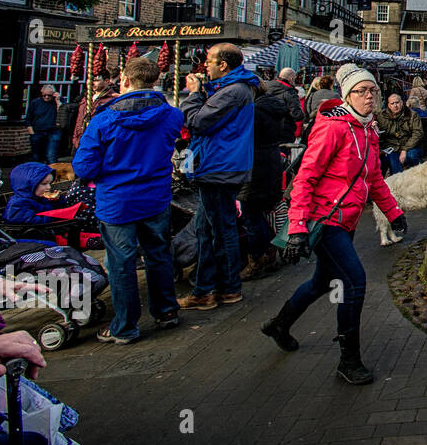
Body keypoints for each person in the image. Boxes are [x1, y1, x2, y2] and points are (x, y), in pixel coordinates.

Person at [263, 68, 405, 385]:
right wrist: (297, 226)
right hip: (326, 220)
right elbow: (305, 179)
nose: (370, 96)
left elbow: (374, 179)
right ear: (347, 95)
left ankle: (279, 324)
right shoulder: (333, 128)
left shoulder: (369, 131)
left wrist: (393, 212)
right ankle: (348, 360)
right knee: (354, 282)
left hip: (349, 220)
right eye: (362, 91)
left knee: (321, 282)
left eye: (373, 91)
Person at [72, 55, 184, 344]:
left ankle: (125, 325)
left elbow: (83, 167)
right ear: (156, 79)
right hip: (155, 196)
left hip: (117, 200)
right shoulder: (172, 115)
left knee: (121, 263)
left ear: (124, 79)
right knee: (158, 254)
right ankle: (167, 311)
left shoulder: (104, 120)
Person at [176, 44, 262, 311]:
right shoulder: (236, 89)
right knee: (206, 229)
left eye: (210, 61)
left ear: (223, 65)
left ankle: (225, 288)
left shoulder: (233, 91)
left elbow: (198, 121)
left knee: (221, 229)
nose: (206, 66)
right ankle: (209, 288)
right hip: (221, 165)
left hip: (219, 167)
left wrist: (192, 96)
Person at [238, 80, 294, 281]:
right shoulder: (274, 109)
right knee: (262, 214)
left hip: (255, 167)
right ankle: (269, 252)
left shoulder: (253, 112)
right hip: (271, 163)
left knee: (251, 216)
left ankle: (257, 258)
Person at [377, 93, 424, 174]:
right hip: (392, 147)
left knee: (411, 156)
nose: (395, 105)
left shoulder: (412, 115)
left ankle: (417, 176)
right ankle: (397, 181)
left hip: (410, 146)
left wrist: (405, 149)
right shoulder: (381, 116)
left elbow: (418, 133)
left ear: (402, 103)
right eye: (392, 103)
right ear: (388, 105)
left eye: (397, 102)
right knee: (391, 158)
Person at [70, 75, 116, 153]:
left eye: (96, 80)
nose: (91, 83)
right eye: (89, 79)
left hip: (96, 142)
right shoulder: (86, 97)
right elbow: (79, 118)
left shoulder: (111, 100)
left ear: (107, 81)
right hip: (79, 141)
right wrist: (75, 139)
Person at [25, 85, 62, 164]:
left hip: (53, 131)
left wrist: (58, 100)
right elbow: (28, 118)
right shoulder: (35, 103)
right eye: (44, 95)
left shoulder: (56, 102)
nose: (47, 97)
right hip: (37, 132)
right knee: (36, 156)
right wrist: (32, 133)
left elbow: (62, 113)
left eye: (49, 95)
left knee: (51, 155)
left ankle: (52, 175)